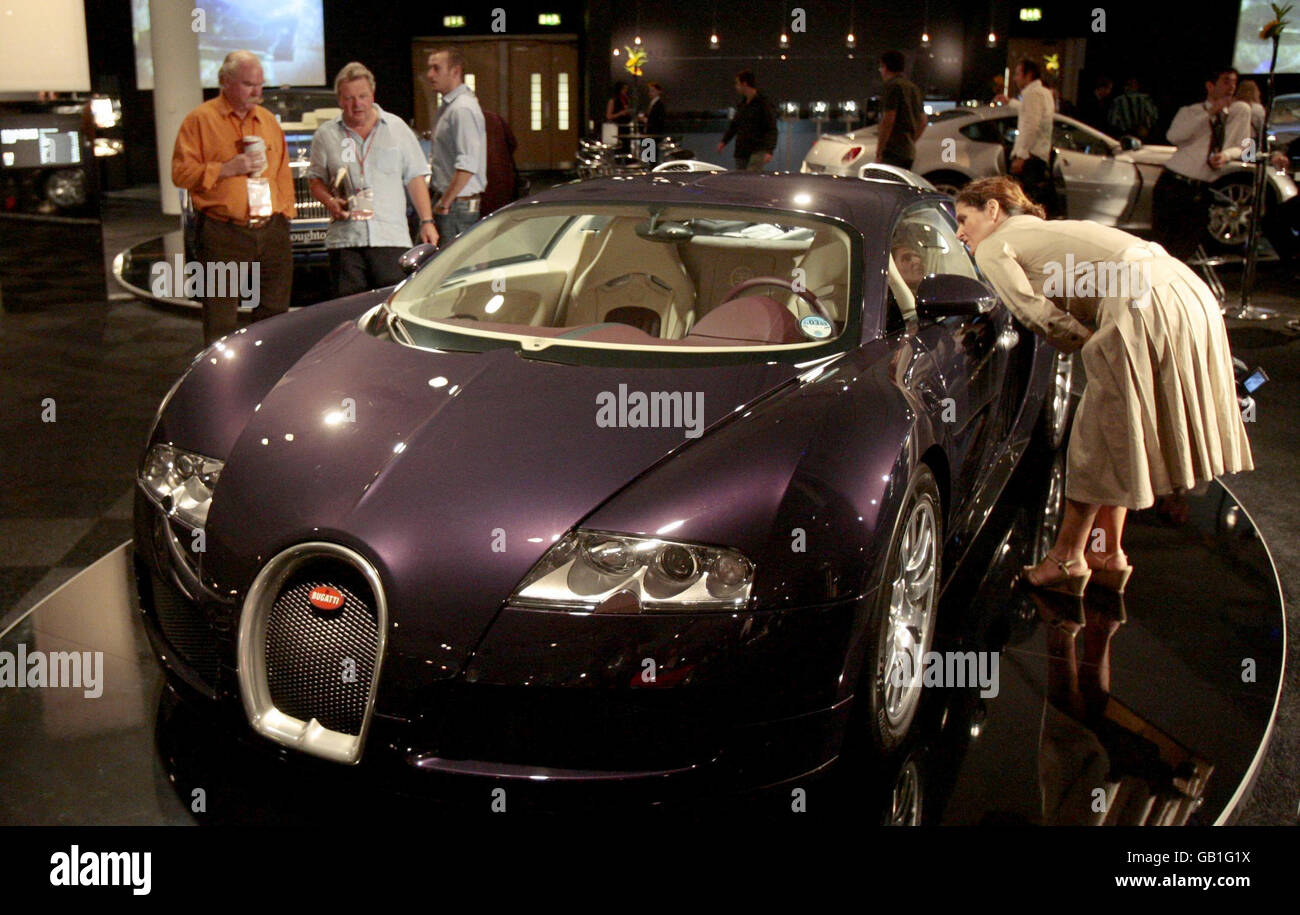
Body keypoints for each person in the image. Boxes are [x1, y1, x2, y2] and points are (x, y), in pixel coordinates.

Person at [952, 176, 1252, 595]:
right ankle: (1107, 551)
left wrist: (1085, 343)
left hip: (1141, 300)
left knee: (1094, 438)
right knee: (1120, 430)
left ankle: (1067, 559)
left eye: (964, 218)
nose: (960, 232)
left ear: (993, 211)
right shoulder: (1046, 230)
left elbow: (1031, 309)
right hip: (1186, 290)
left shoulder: (991, 246)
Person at [171, 50, 295, 345]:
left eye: (260, 84)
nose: (257, 91)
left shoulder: (267, 121)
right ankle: (221, 383)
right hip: (223, 231)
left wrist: (285, 216)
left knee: (275, 313)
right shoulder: (200, 120)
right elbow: (180, 174)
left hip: (272, 228)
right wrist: (225, 169)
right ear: (225, 82)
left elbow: (282, 173)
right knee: (221, 316)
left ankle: (266, 374)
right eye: (248, 84)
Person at [307, 62, 436, 298]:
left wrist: (427, 220)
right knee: (348, 314)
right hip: (345, 241)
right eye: (349, 98)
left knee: (389, 308)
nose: (357, 104)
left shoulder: (397, 129)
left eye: (362, 96)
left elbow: (415, 178)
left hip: (391, 238)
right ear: (339, 99)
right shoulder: (326, 135)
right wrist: (329, 201)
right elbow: (315, 179)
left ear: (372, 95)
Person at [1152, 66, 1251, 261]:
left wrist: (1226, 155)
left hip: (1202, 188)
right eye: (1225, 81)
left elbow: (1244, 146)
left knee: (1186, 246)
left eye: (1234, 82)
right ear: (1210, 86)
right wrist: (1208, 114)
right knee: (1161, 246)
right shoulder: (1191, 111)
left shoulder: (1239, 112)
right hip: (1174, 183)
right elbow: (1174, 136)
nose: (1231, 87)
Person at [425, 47, 487, 244]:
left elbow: (468, 164)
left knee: (453, 270)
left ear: (455, 71)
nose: (430, 75)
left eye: (436, 68)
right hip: (452, 203)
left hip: (456, 206)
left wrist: (444, 203)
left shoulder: (462, 109)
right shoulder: (450, 106)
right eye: (429, 69)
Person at [1009, 58, 1057, 215]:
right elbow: (1029, 113)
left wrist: (1022, 156)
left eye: (1017, 74)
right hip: (1039, 155)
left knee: (1026, 202)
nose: (1015, 78)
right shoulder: (1044, 92)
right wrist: (1010, 102)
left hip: (1031, 157)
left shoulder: (1033, 94)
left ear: (1028, 75)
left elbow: (1031, 126)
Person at [716, 70, 779, 171]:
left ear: (744, 84)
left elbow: (771, 128)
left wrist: (769, 150)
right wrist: (724, 141)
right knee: (741, 179)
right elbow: (735, 125)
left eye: (737, 83)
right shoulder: (743, 105)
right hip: (742, 150)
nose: (736, 87)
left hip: (758, 149)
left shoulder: (763, 104)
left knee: (751, 177)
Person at [875, 50, 927, 170]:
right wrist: (910, 141)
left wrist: (879, 152)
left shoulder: (892, 86)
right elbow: (923, 121)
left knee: (887, 186)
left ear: (885, 67)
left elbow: (888, 119)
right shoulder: (913, 88)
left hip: (892, 152)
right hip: (908, 152)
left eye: (881, 67)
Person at [481, 109, 521, 216]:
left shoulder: (459, 118)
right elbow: (512, 143)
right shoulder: (493, 117)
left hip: (477, 179)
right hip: (501, 173)